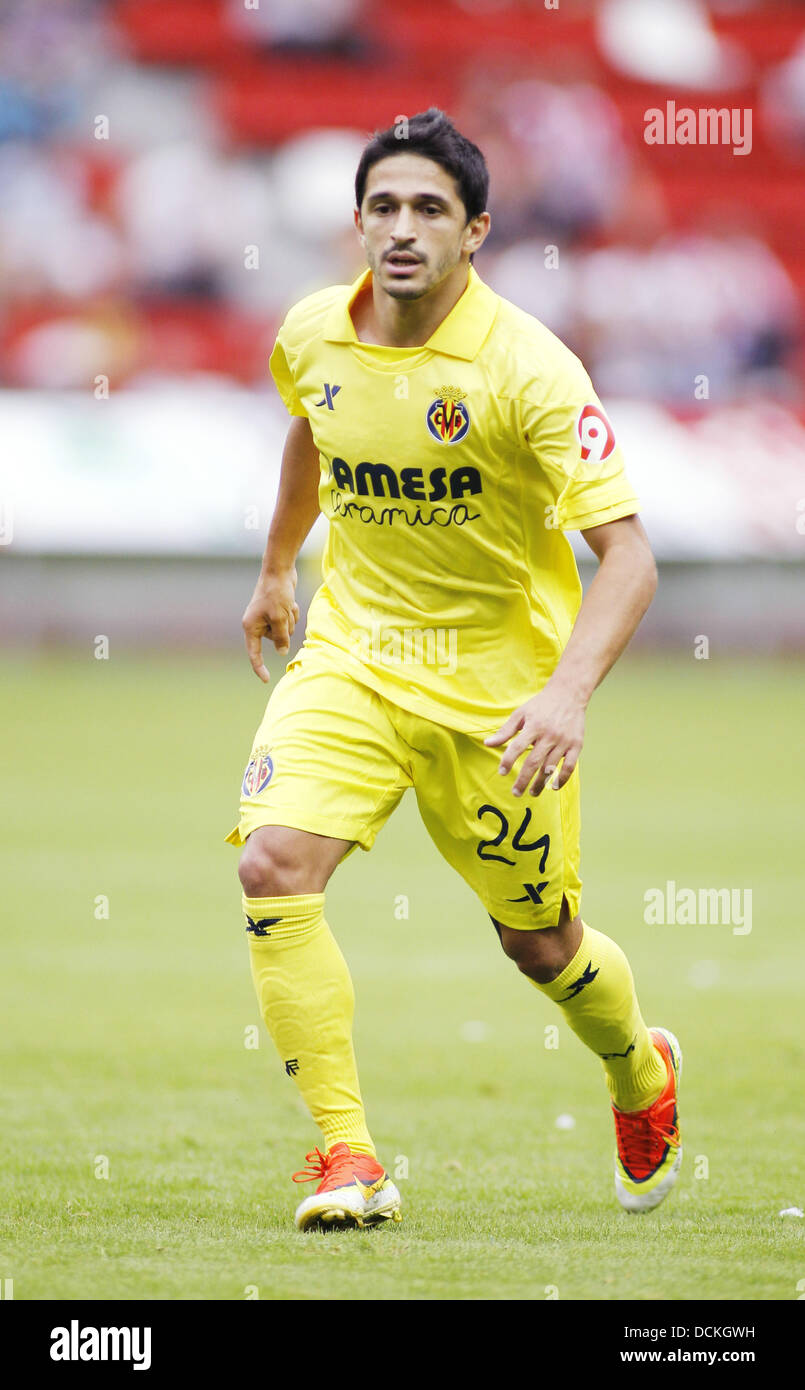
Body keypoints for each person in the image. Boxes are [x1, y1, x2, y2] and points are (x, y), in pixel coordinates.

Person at [226, 108, 681, 1232]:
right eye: (383, 206)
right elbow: (310, 427)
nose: (401, 228)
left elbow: (629, 558)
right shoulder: (314, 331)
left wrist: (566, 692)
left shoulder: (529, 369)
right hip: (354, 655)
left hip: (497, 697)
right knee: (274, 866)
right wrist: (279, 567)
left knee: (539, 943)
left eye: (429, 208)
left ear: (474, 230)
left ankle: (639, 1069)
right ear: (356, 222)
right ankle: (347, 1157)